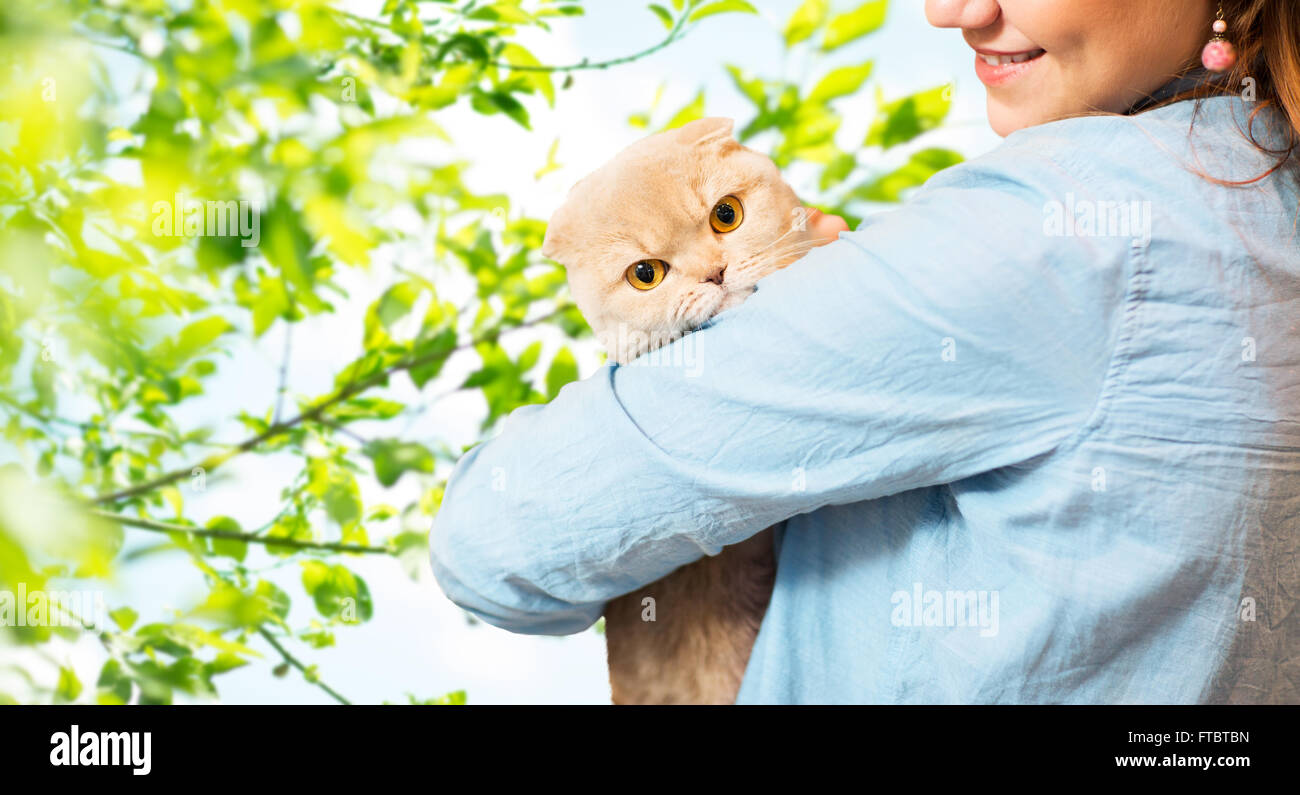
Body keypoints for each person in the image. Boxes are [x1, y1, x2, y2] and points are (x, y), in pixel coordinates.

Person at [429, 0, 1300, 703]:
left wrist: (776, 333)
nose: (949, 11)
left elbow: (494, 545)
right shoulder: (1265, 195)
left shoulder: (1059, 225)